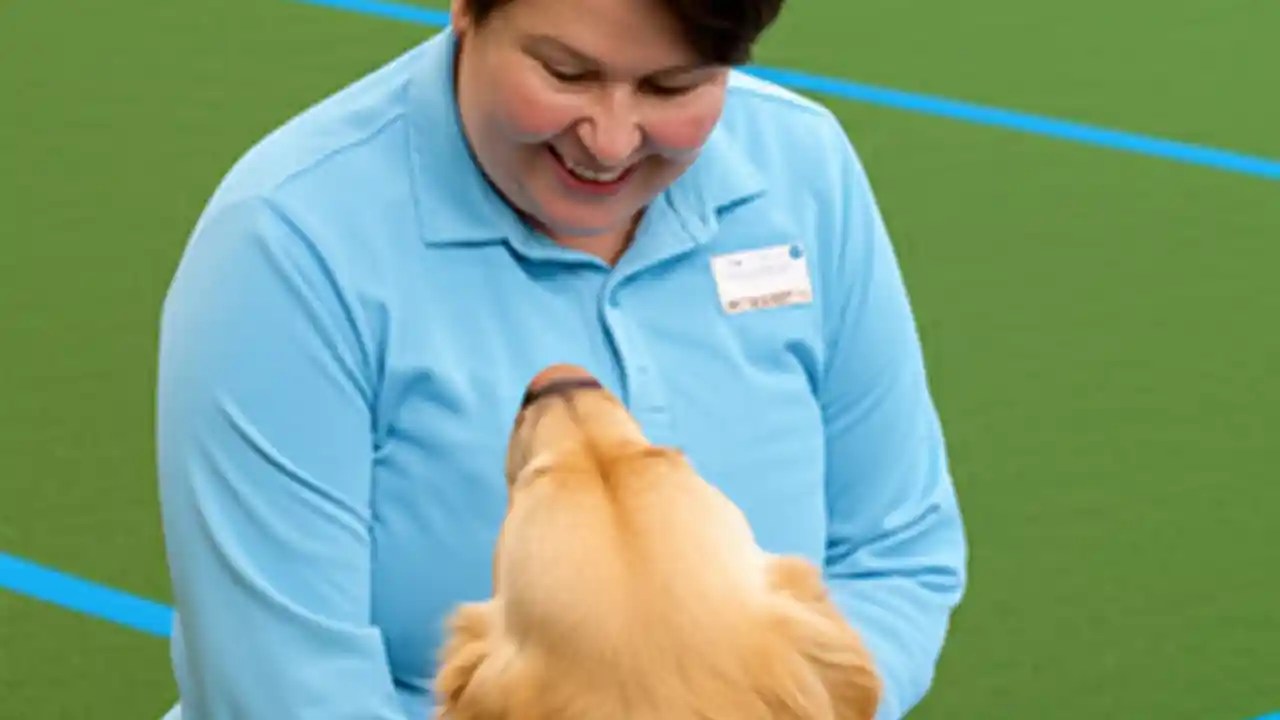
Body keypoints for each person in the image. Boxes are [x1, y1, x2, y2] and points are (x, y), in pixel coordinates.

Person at [154, 0, 969, 717]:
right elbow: (288, 692)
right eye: (565, 72)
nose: (610, 142)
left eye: (672, 87)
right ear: (467, 9)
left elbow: (896, 552)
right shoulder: (288, 244)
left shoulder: (804, 167)